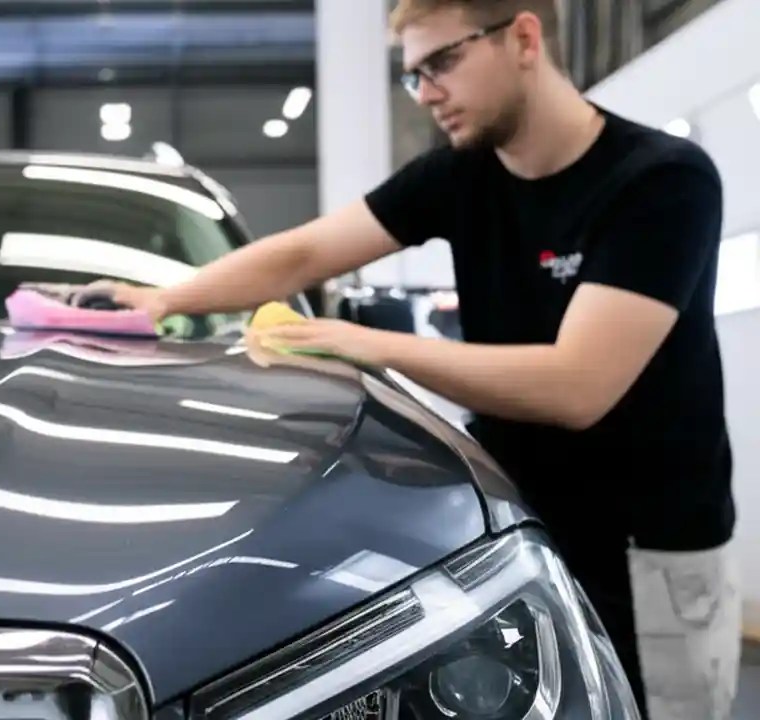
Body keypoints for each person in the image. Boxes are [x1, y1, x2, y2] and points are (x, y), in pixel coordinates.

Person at [92, 1, 741, 717]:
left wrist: (357, 342)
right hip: (520, 524)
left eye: (441, 63)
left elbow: (577, 385)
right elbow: (306, 251)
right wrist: (161, 300)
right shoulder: (459, 178)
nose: (426, 91)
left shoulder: (661, 182)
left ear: (523, 37)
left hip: (649, 545)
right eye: (412, 76)